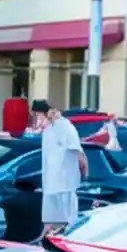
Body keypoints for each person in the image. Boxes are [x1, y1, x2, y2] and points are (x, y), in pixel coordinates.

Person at [33, 100, 87, 237]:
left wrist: (84, 171)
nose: (37, 119)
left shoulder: (65, 127)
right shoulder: (47, 131)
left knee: (68, 223)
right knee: (50, 223)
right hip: (50, 185)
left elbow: (78, 151)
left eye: (38, 115)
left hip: (65, 185)